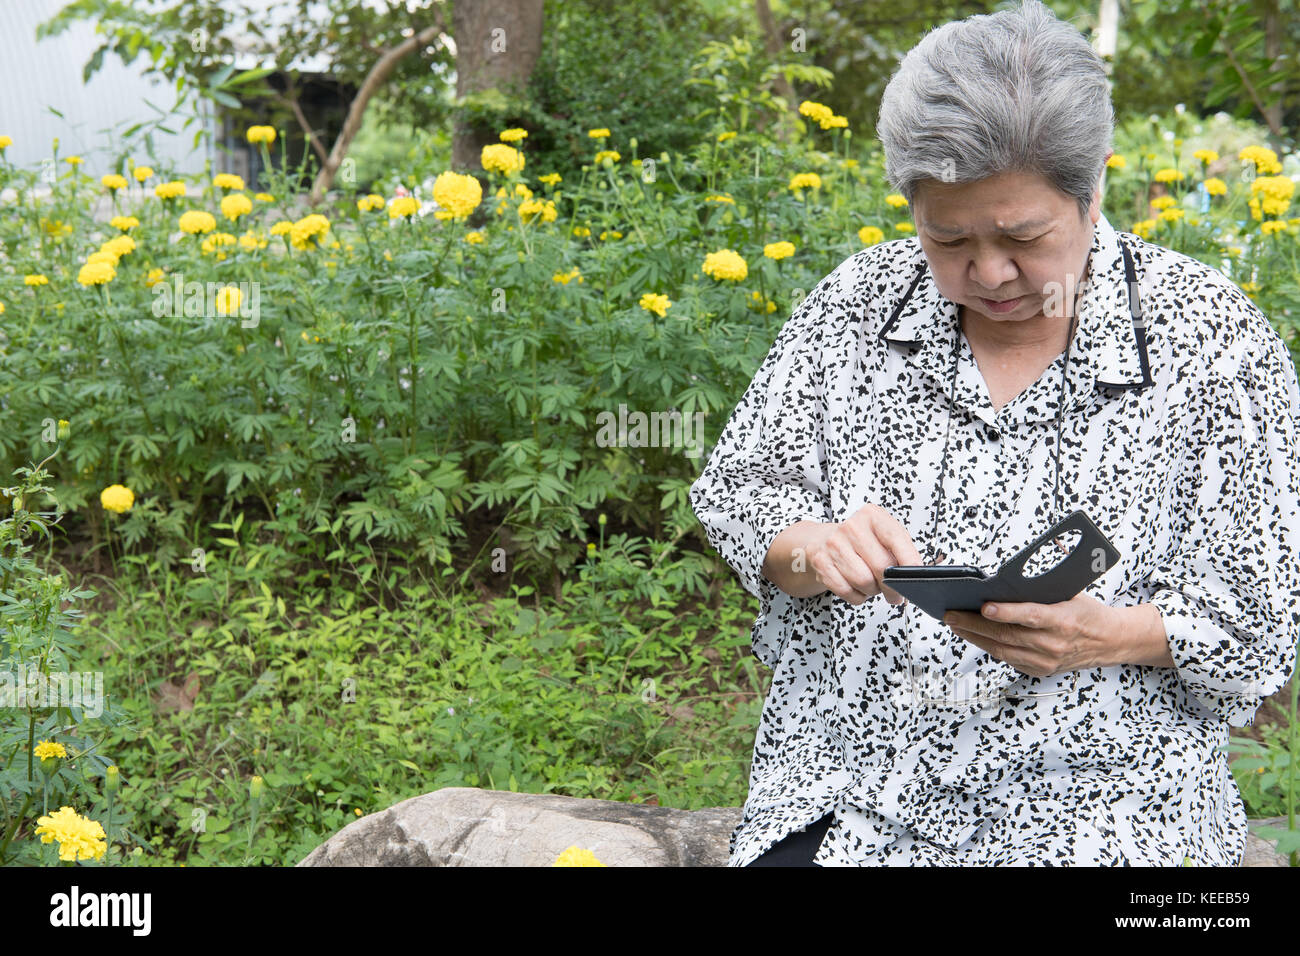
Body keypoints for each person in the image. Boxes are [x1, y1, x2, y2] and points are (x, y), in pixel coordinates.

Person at [689, 0, 1300, 866]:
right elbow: (742, 491)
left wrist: (1104, 635)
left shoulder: (1212, 341)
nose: (988, 273)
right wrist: (809, 548)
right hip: (856, 787)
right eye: (948, 238)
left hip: (1106, 806)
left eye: (1023, 236)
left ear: (1093, 195)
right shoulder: (861, 302)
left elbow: (1259, 621)